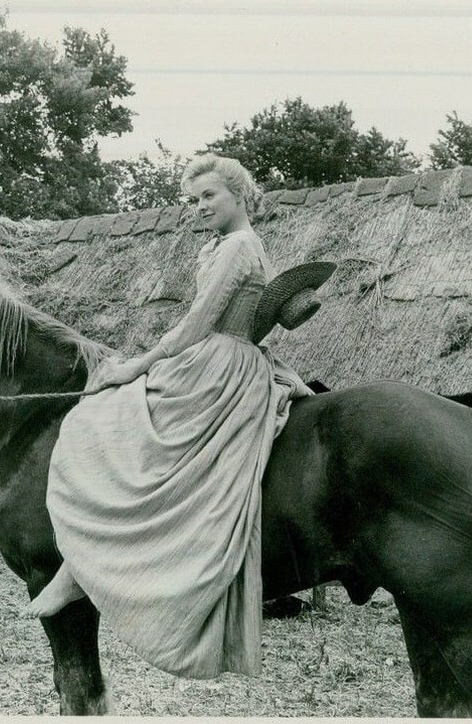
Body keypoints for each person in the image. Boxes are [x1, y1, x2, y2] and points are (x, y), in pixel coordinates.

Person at [26, 154, 314, 678]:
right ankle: (85, 559)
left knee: (115, 415)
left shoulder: (242, 247)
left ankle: (89, 563)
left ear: (239, 195)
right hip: (220, 357)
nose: (199, 207)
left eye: (209, 196)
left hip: (217, 363)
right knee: (124, 419)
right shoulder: (224, 246)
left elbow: (199, 322)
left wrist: (137, 363)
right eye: (193, 199)